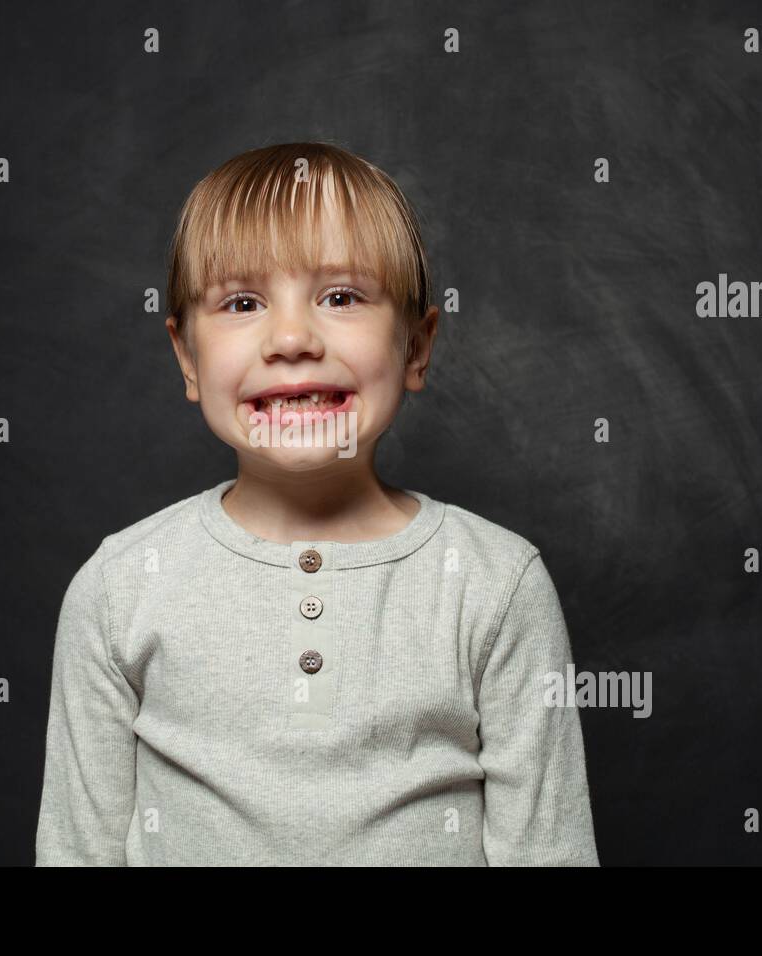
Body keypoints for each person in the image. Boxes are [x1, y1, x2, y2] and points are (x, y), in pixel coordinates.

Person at [34, 141, 599, 865]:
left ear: (416, 347)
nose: (293, 338)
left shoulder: (496, 584)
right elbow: (76, 852)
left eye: (342, 297)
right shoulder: (119, 589)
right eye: (242, 303)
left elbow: (550, 853)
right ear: (187, 360)